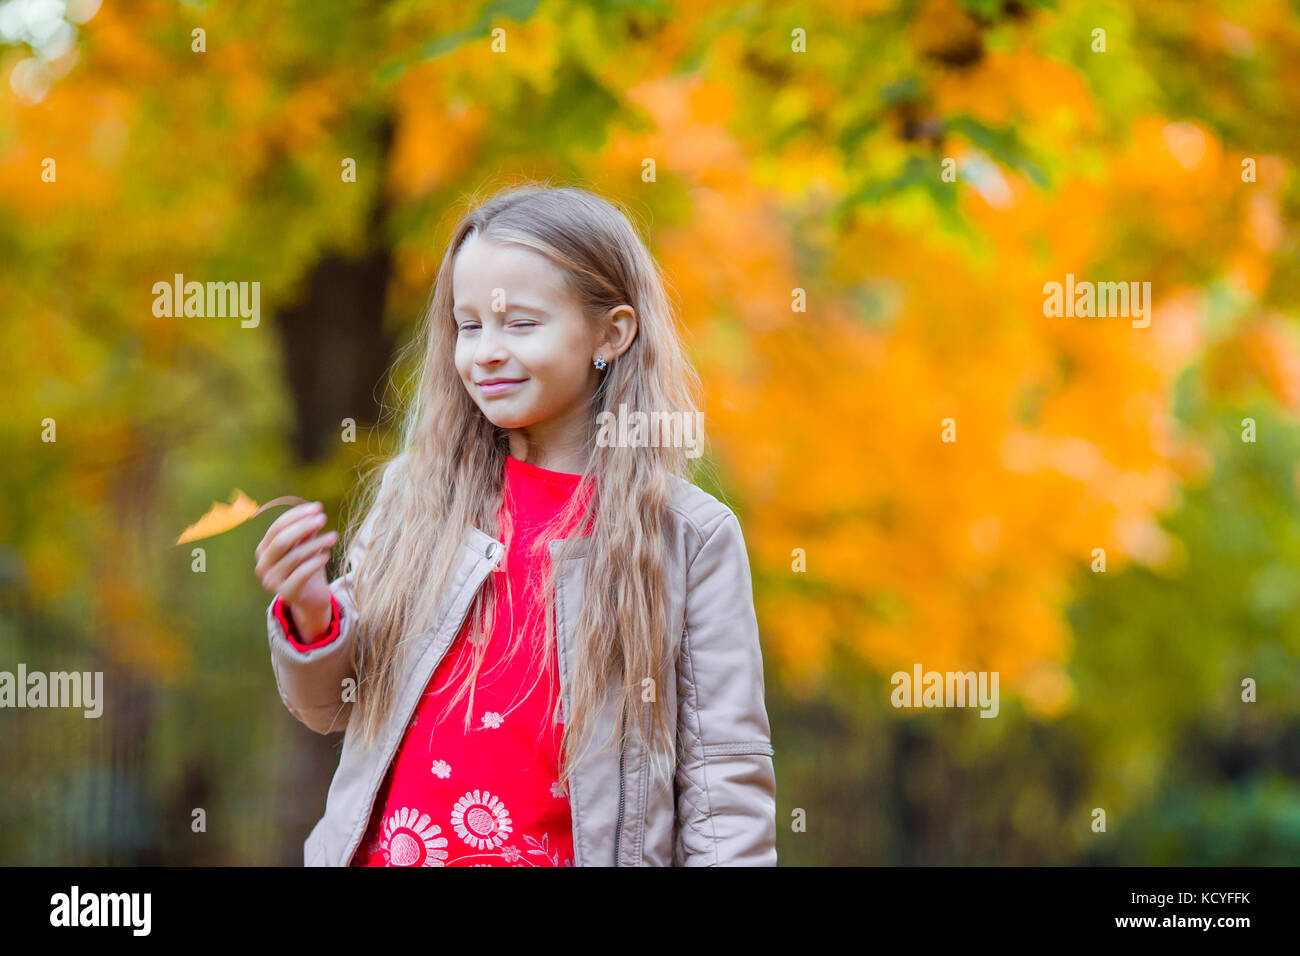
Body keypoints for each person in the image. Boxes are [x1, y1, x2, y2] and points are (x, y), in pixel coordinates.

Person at [253, 182, 776, 866]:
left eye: (520, 324)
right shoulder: (418, 496)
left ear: (611, 334)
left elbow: (724, 784)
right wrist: (314, 615)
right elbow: (332, 706)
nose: (487, 352)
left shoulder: (689, 537)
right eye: (469, 326)